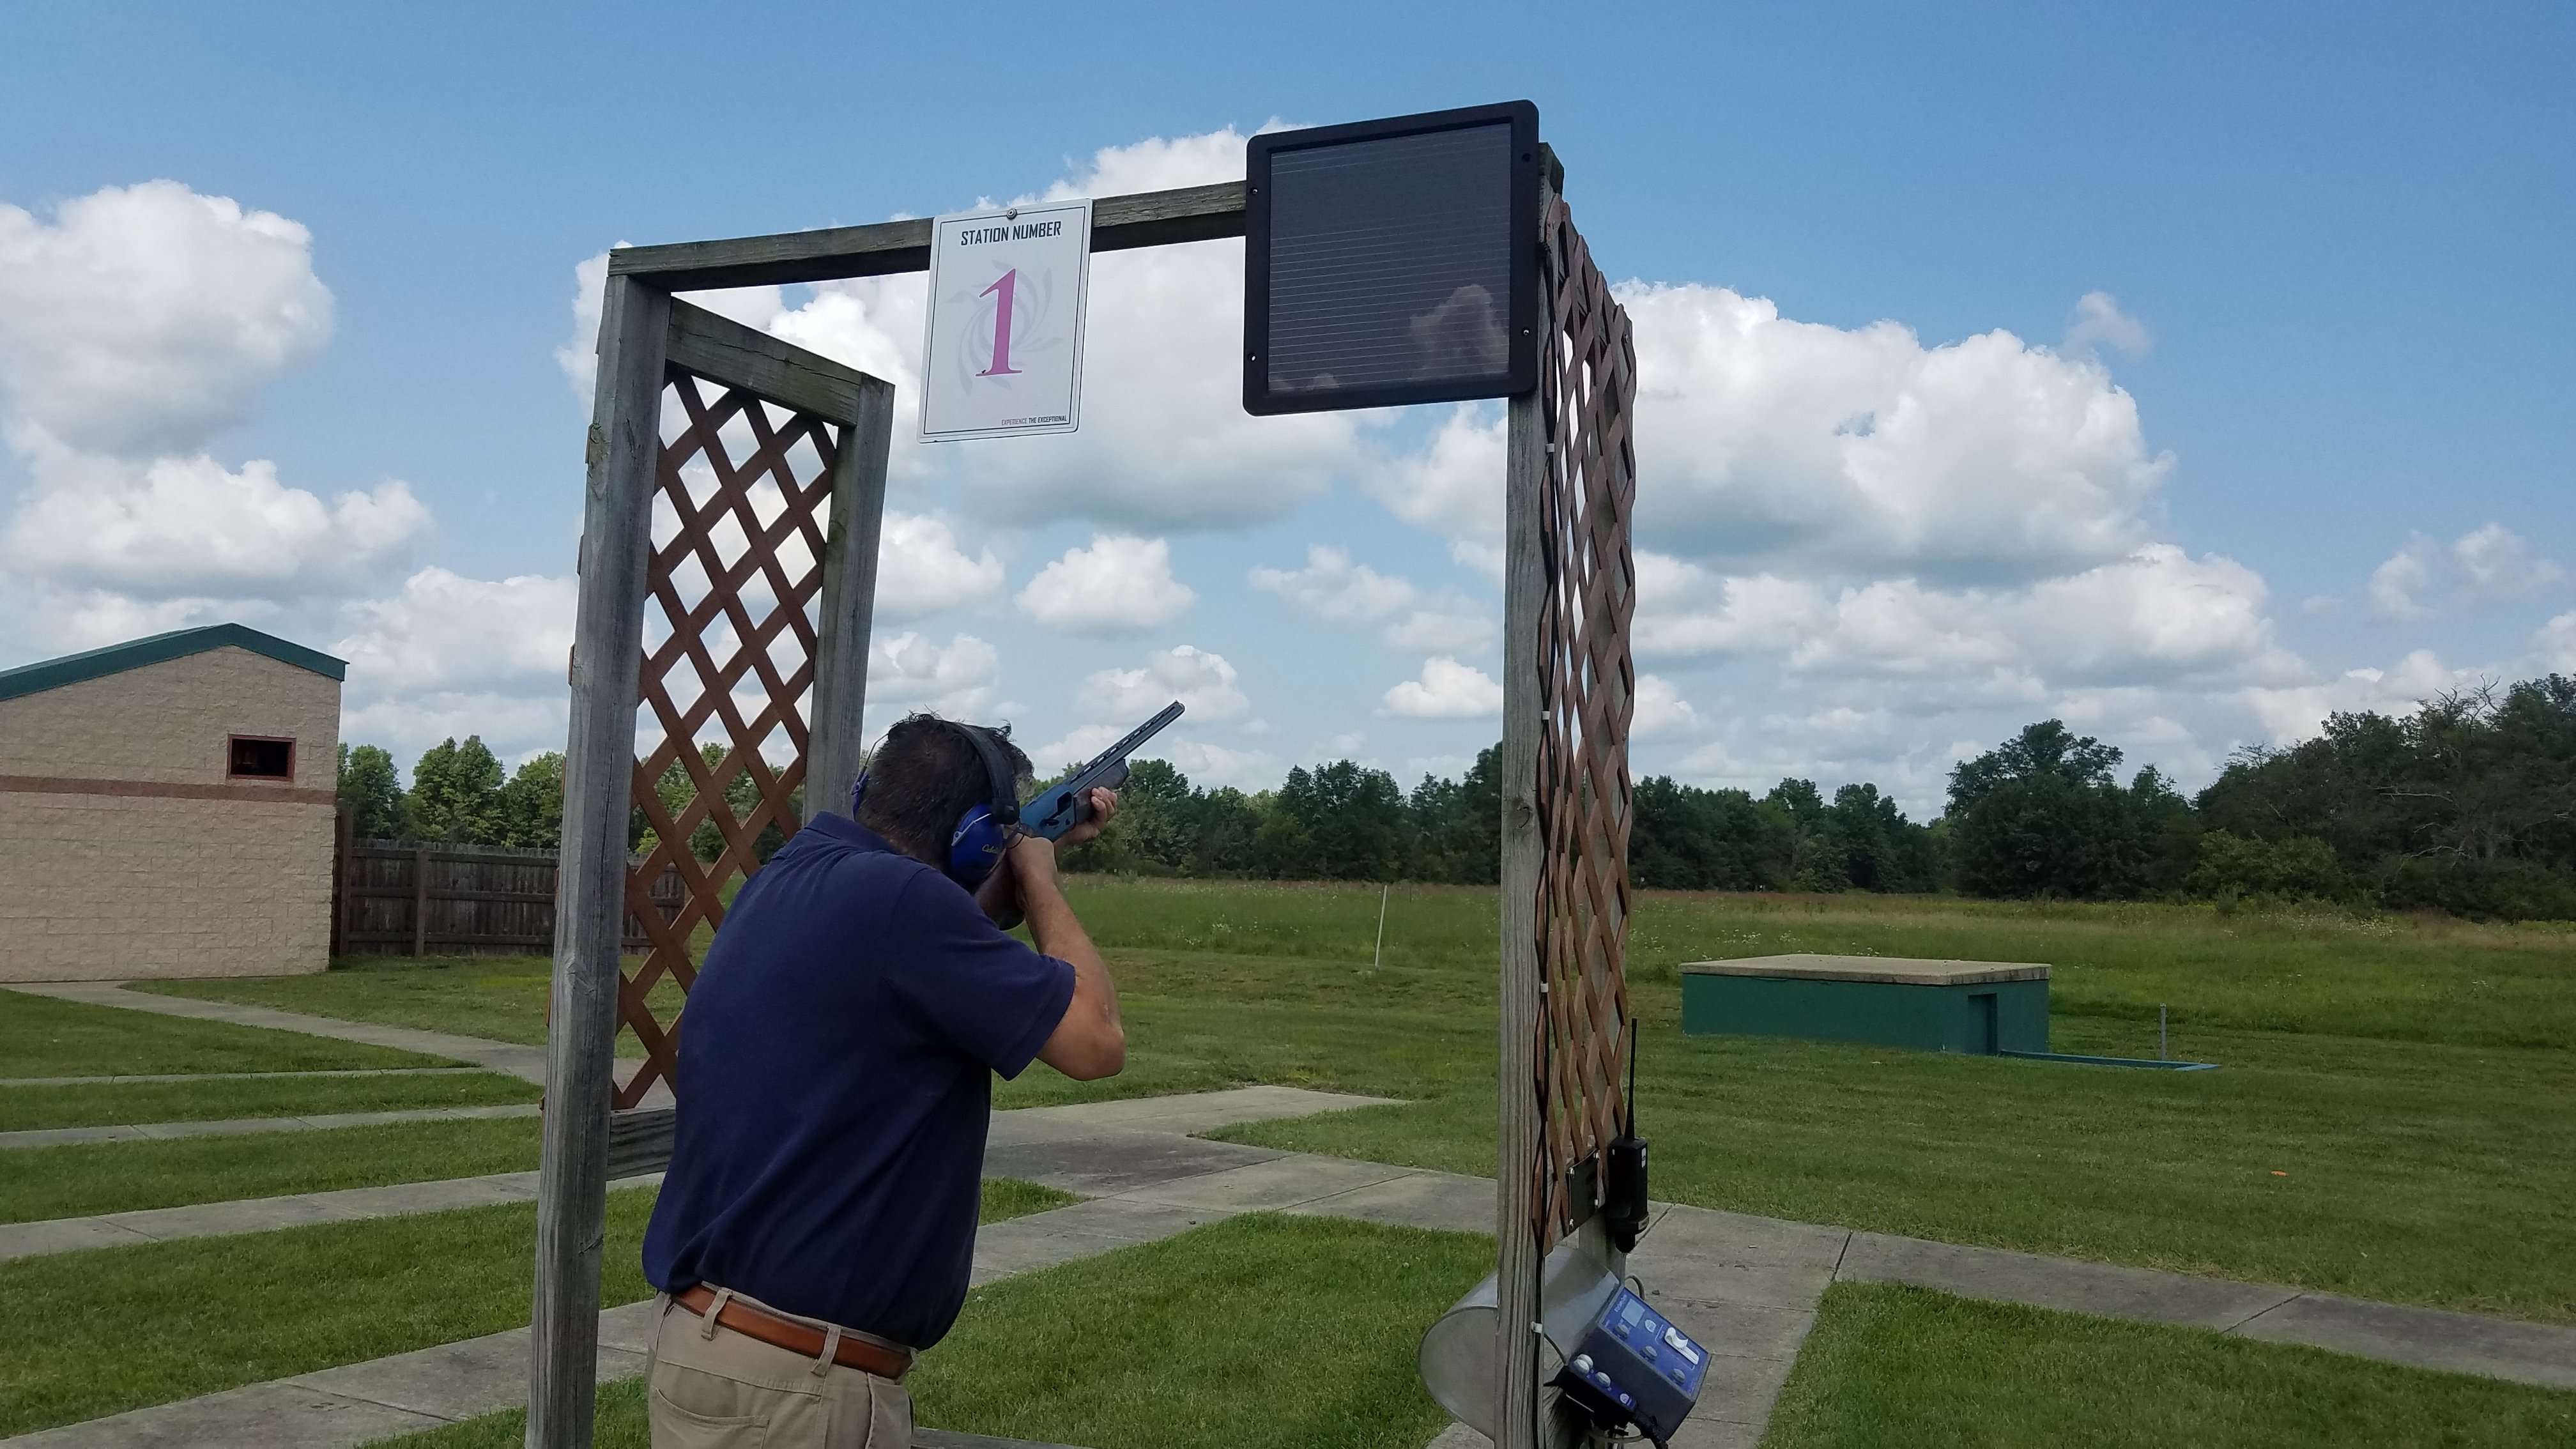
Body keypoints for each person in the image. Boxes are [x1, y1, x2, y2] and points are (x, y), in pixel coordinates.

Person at [639, 714, 1123, 1448]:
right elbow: (1096, 1040)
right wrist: (1039, 879)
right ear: (976, 839)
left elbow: (921, 953)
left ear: (870, 793)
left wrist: (1022, 863)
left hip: (715, 1349)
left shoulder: (788, 877)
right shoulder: (906, 905)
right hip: (798, 1390)